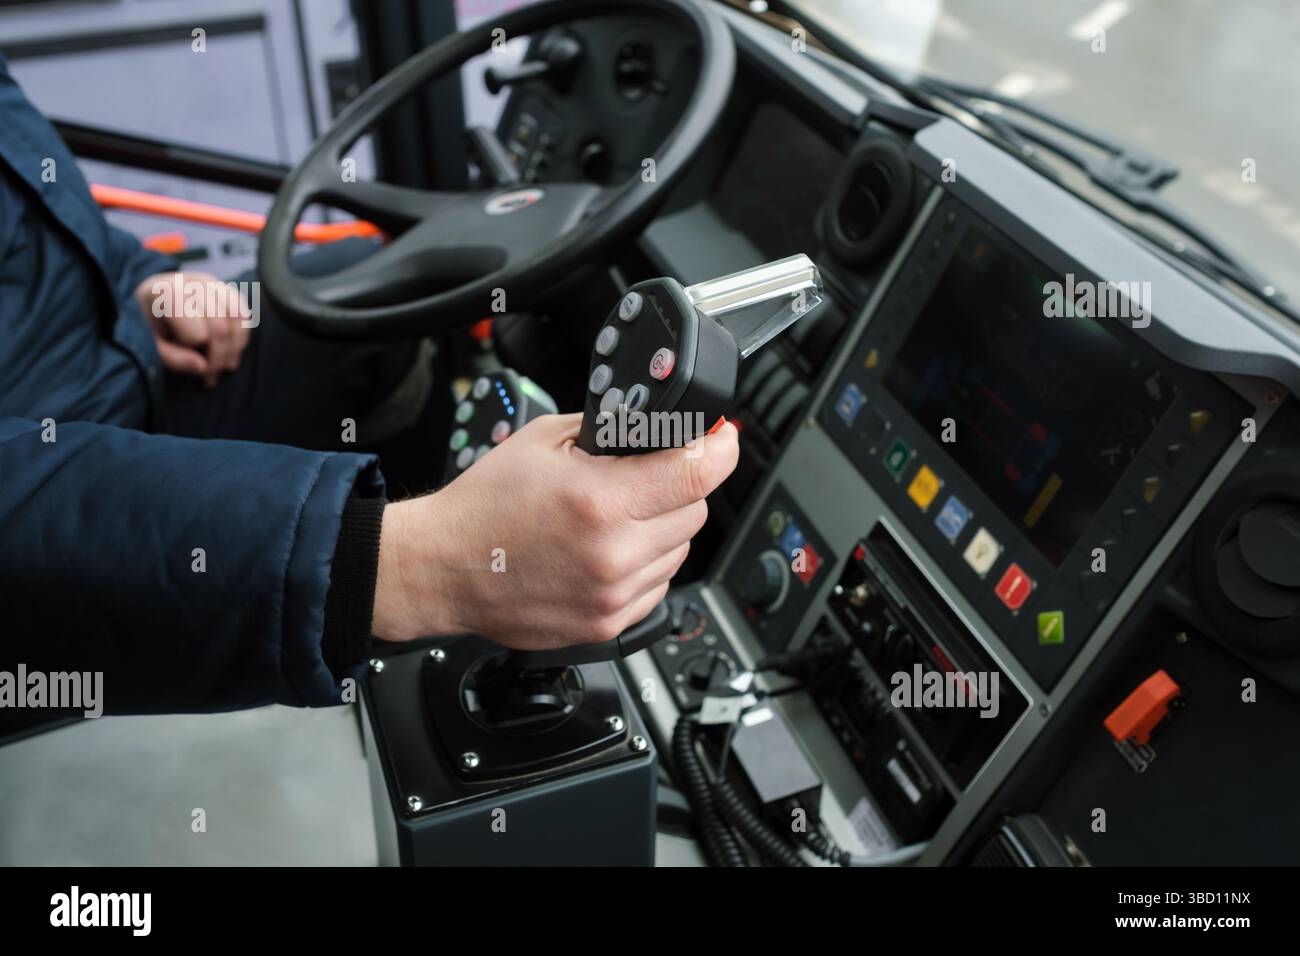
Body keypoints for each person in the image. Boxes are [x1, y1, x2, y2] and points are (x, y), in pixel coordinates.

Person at [0, 50, 738, 715]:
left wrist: (140, 283)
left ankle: (434, 597)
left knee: (370, 314)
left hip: (118, 356)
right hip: (39, 483)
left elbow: (39, 219)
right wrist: (411, 564)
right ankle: (416, 628)